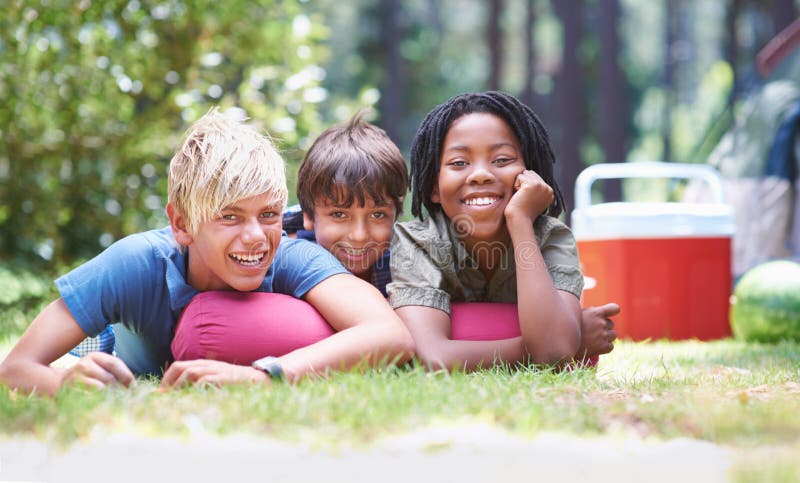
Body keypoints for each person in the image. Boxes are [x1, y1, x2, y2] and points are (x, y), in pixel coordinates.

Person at [0, 108, 414, 396]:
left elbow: (389, 333)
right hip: (106, 348)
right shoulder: (137, 262)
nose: (256, 236)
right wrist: (66, 386)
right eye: (230, 217)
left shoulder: (290, 255)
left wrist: (265, 377)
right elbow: (16, 367)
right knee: (83, 358)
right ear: (182, 224)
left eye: (268, 214)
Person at [173, 111, 617, 367]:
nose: (360, 235)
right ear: (308, 216)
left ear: (398, 211)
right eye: (340, 215)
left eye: (378, 215)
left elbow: (422, 344)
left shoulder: (402, 251)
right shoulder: (282, 249)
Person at [387, 91, 617, 371]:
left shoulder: (551, 237)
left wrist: (520, 221)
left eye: (502, 160)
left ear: (530, 175)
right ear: (434, 187)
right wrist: (573, 341)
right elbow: (433, 357)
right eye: (459, 163)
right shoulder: (418, 241)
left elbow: (554, 349)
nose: (481, 174)